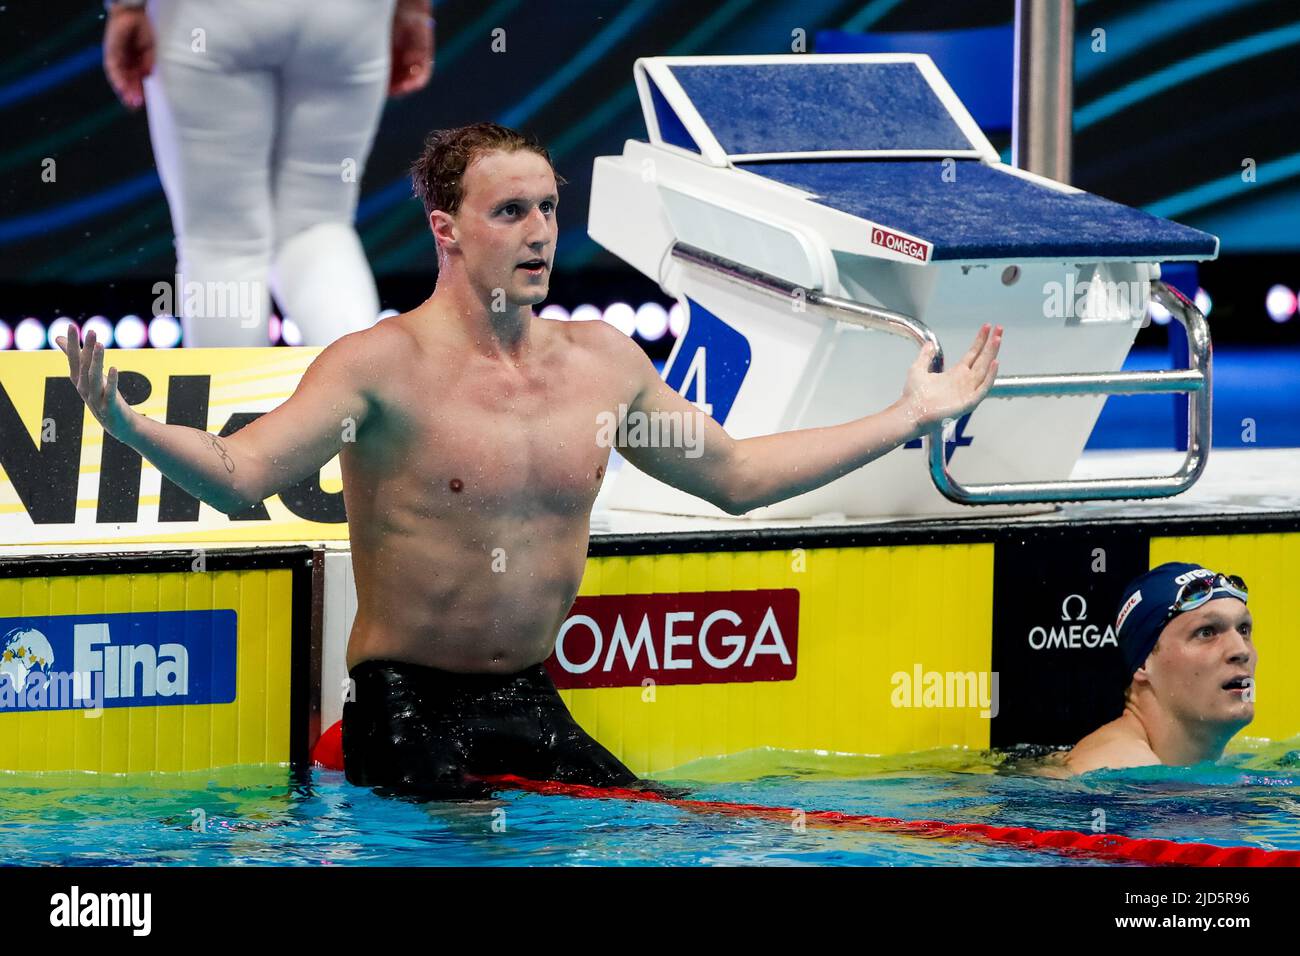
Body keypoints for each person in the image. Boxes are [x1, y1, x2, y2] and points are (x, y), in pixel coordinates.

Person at [56, 121, 1002, 800]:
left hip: (527, 699)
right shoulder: (380, 369)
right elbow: (237, 474)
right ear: (447, 230)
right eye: (510, 211)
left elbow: (737, 479)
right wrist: (125, 423)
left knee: (662, 830)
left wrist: (908, 414)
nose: (542, 231)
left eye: (549, 207)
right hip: (405, 711)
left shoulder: (601, 367)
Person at [101, 0, 435, 347]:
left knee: (223, 241)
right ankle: (365, 392)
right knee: (319, 226)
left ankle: (231, 398)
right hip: (349, 16)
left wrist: (126, 7)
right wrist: (413, 9)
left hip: (210, 16)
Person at [1061, 563, 1255, 775]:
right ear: (1144, 662)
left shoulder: (1230, 759)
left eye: (1243, 629)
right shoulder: (1117, 770)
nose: (1241, 650)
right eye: (1206, 632)